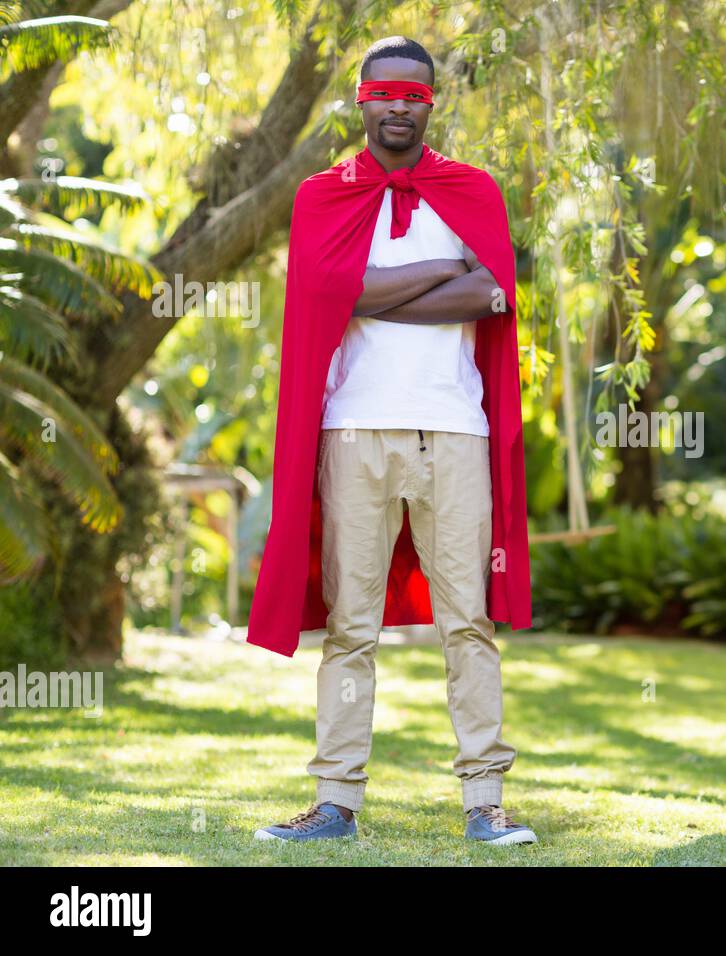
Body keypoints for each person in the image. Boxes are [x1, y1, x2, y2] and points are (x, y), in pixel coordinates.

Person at [249, 35, 535, 847]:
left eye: (415, 96)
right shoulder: (322, 196)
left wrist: (368, 295)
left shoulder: (472, 191)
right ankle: (335, 801)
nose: (399, 107)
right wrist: (436, 279)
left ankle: (486, 802)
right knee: (350, 626)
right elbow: (322, 292)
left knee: (467, 621)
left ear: (430, 104)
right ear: (363, 101)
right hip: (354, 429)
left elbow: (492, 296)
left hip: (456, 428)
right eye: (386, 94)